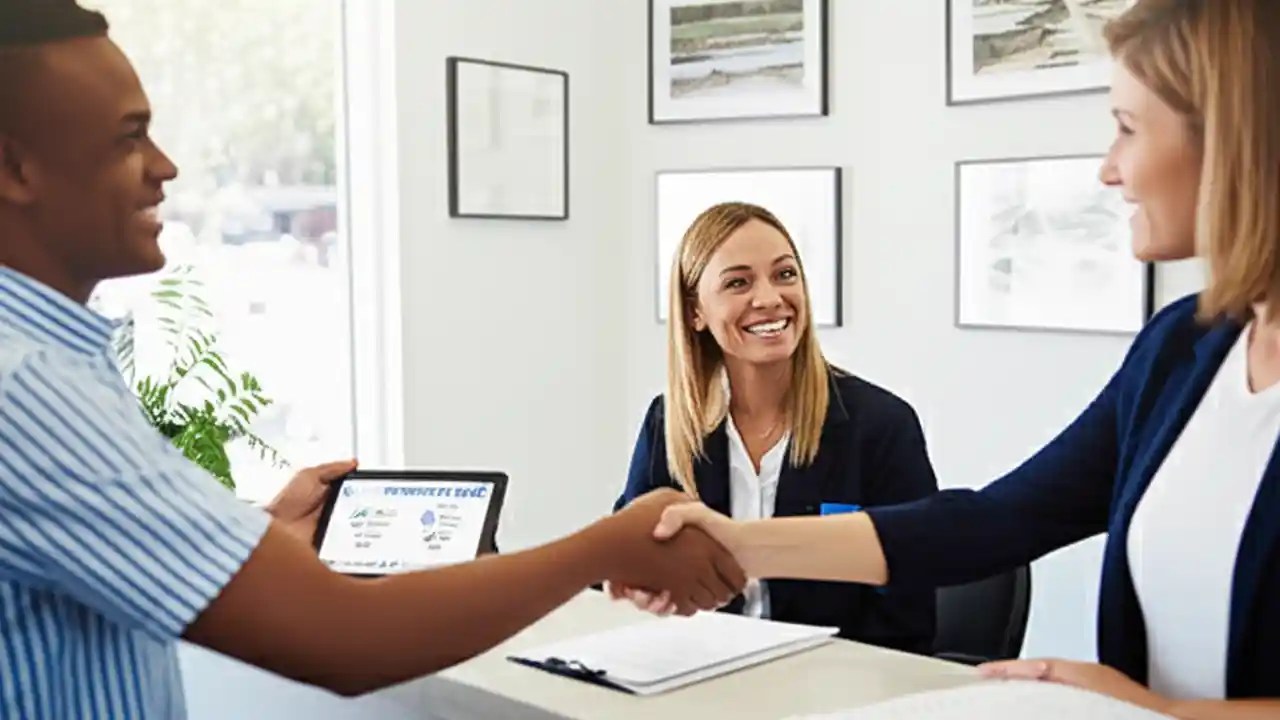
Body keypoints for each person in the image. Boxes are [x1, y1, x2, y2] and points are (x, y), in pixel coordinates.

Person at [0, 3, 745, 717]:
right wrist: (604, 547)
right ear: (14, 169)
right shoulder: (28, 389)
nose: (164, 167)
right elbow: (349, 639)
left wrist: (264, 534)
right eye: (129, 138)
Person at [648, 1, 1280, 716]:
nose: (1108, 169)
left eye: (1128, 129)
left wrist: (1160, 715)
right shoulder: (1181, 350)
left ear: (1234, 143)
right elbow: (994, 522)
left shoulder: (878, 420)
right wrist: (739, 544)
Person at [610, 202, 940, 654]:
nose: (768, 299)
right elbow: (630, 573)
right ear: (695, 313)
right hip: (697, 674)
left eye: (785, 274)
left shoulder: (881, 426)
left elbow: (908, 615)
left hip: (835, 685)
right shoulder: (668, 423)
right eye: (738, 282)